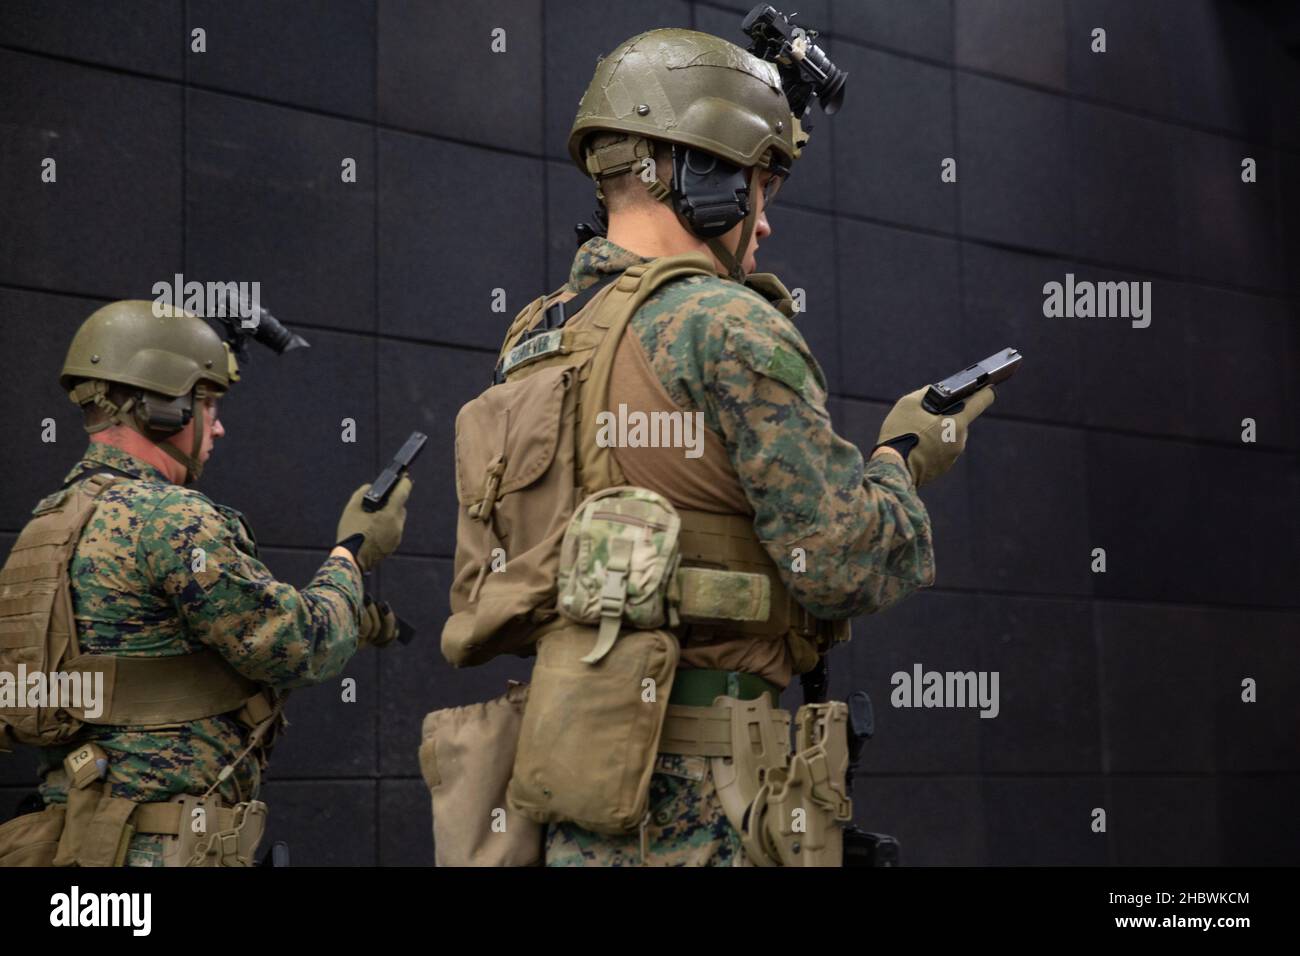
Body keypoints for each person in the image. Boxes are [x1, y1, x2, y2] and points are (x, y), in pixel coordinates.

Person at [442, 24, 993, 868]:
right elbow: (845, 563)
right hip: (702, 801)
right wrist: (905, 458)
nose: (764, 223)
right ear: (700, 177)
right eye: (757, 187)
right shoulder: (726, 326)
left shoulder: (537, 339)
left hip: (570, 787)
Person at [0, 299, 411, 867]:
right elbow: (301, 645)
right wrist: (354, 552)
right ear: (162, 407)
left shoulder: (44, 526)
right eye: (207, 402)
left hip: (76, 845)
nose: (217, 424)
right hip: (156, 846)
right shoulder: (171, 519)